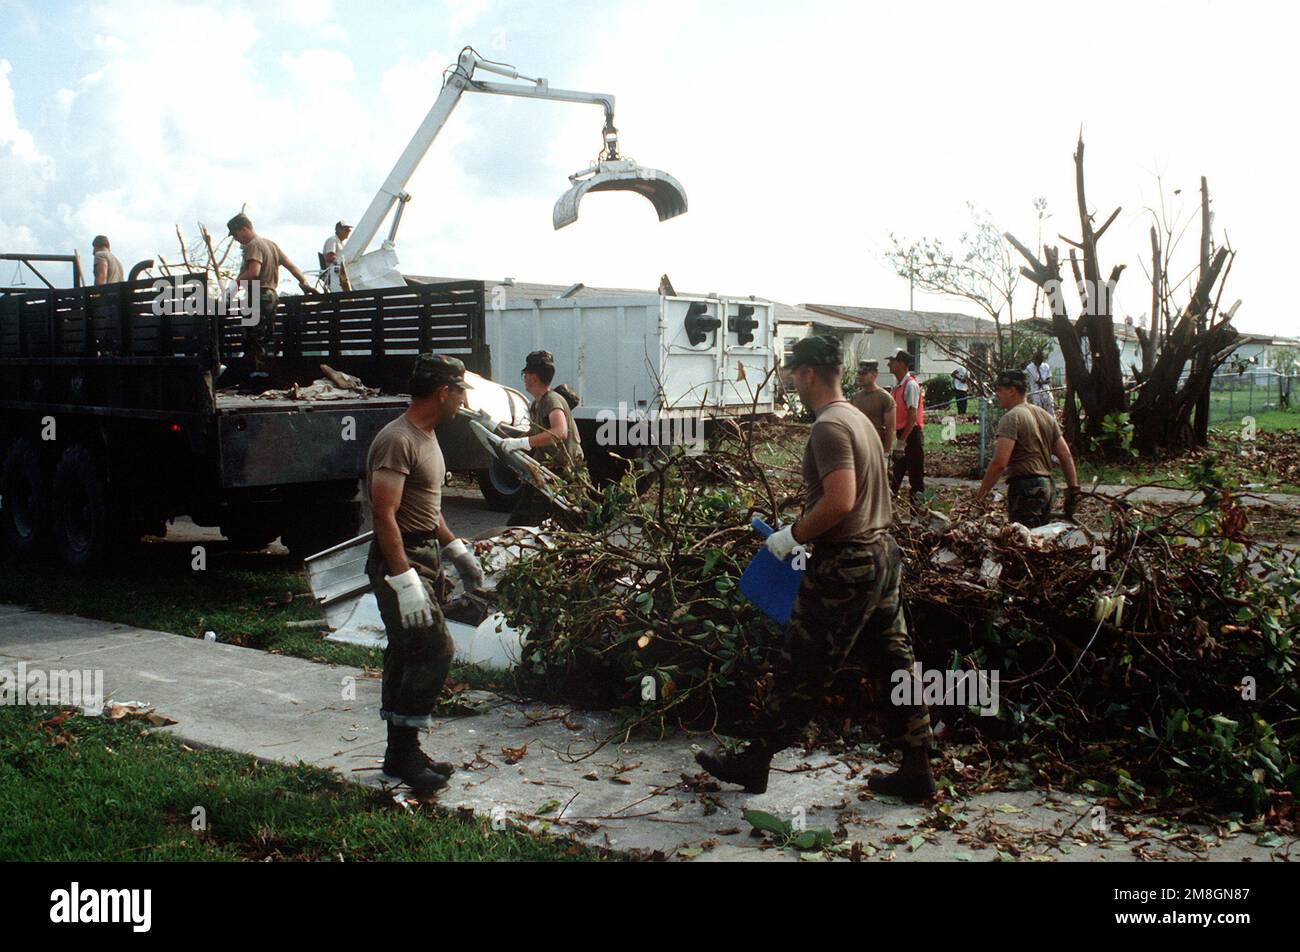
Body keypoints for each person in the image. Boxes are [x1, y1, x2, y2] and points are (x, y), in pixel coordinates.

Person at [695, 335, 936, 802]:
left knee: (801, 662)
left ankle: (755, 760)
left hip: (847, 562)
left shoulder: (827, 427)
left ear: (807, 374)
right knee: (894, 663)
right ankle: (916, 767)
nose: (790, 381)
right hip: (883, 554)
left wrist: (793, 535)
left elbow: (841, 500)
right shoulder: (860, 419)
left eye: (792, 373)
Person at [366, 354, 487, 796]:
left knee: (407, 651)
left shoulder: (428, 437)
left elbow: (426, 510)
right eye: (460, 392)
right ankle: (403, 751)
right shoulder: (398, 439)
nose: (462, 401)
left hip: (423, 553)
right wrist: (404, 580)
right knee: (435, 651)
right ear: (443, 392)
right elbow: (384, 515)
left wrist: (456, 550)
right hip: (399, 559)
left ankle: (401, 751)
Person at [975, 369, 1081, 528]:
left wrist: (980, 497)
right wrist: (1073, 492)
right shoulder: (1045, 416)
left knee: (1022, 542)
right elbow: (1065, 455)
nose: (996, 394)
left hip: (1026, 489)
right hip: (1047, 487)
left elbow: (999, 463)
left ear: (1012, 391)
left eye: (999, 390)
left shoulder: (1011, 417)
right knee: (1038, 541)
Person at [499, 350, 585, 527]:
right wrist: (510, 442)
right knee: (523, 521)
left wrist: (521, 443)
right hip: (548, 474)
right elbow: (535, 434)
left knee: (566, 526)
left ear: (533, 377)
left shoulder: (552, 400)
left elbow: (560, 432)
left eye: (526, 374)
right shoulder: (537, 404)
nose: (525, 378)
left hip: (565, 477)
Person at [227, 213, 314, 374]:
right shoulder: (270, 244)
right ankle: (266, 375)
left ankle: (256, 377)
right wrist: (304, 283)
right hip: (272, 297)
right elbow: (291, 266)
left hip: (258, 296)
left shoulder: (253, 245)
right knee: (265, 337)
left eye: (235, 234)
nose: (235, 239)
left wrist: (233, 287)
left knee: (252, 338)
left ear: (244, 229)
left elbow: (253, 272)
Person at [887, 348, 925, 499]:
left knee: (915, 478)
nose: (889, 365)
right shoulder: (897, 387)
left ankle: (917, 516)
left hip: (911, 435)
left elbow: (912, 417)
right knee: (895, 477)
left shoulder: (910, 385)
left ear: (902, 364)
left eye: (892, 362)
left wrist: (902, 441)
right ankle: (887, 513)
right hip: (902, 434)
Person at [850, 359, 895, 463]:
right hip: (858, 448)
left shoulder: (885, 397)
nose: (861, 377)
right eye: (859, 374)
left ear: (874, 374)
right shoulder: (855, 398)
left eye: (864, 374)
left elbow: (890, 428)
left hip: (876, 448)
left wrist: (886, 454)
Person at [322, 219, 352, 292]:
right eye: (346, 230)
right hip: (333, 272)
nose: (348, 232)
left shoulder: (341, 243)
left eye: (349, 230)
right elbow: (330, 257)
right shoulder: (333, 240)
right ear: (338, 230)